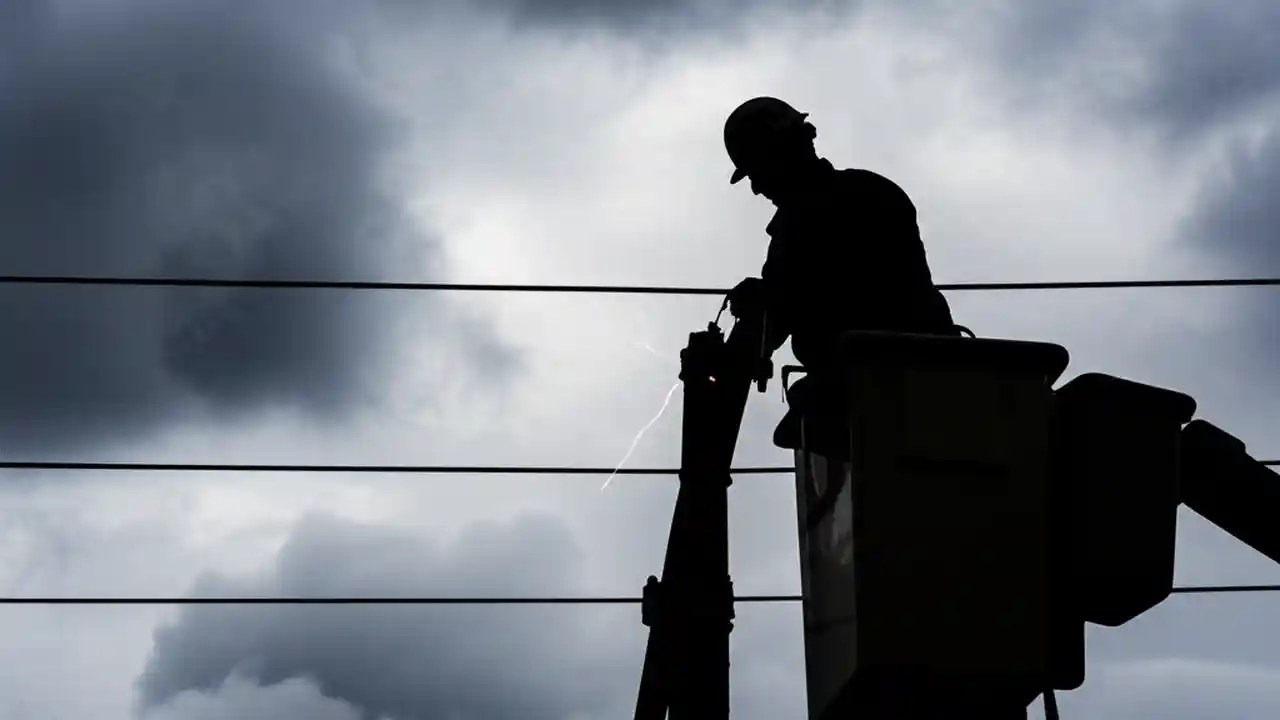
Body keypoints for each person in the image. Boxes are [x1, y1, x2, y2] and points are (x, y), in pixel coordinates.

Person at [723, 96, 964, 453]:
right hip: (891, 376)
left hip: (891, 381)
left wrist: (763, 309)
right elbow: (788, 300)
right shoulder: (846, 199)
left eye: (757, 173)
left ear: (784, 153)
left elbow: (815, 293)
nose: (757, 188)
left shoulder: (840, 205)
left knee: (811, 427)